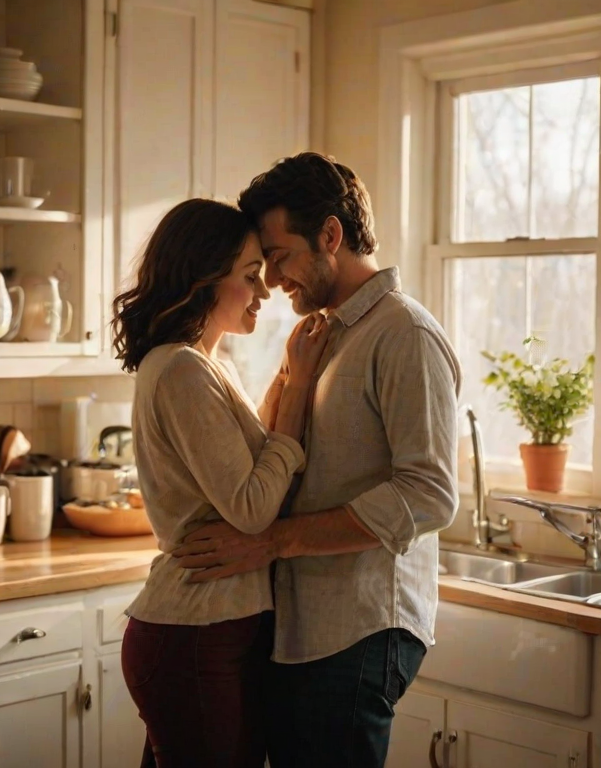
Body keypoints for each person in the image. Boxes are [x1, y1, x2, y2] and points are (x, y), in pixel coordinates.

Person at [173, 153, 463, 768]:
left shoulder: (404, 334)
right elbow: (274, 452)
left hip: (359, 629)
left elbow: (429, 492)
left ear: (330, 235)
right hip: (305, 629)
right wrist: (288, 379)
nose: (271, 281)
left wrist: (274, 542)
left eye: (278, 257)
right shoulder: (325, 333)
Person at [111, 197, 330, 768]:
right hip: (193, 633)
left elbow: (242, 461)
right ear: (204, 279)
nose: (265, 292)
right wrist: (301, 389)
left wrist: (287, 377)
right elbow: (252, 507)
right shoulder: (181, 369)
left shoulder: (208, 364)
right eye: (251, 276)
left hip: (206, 631)